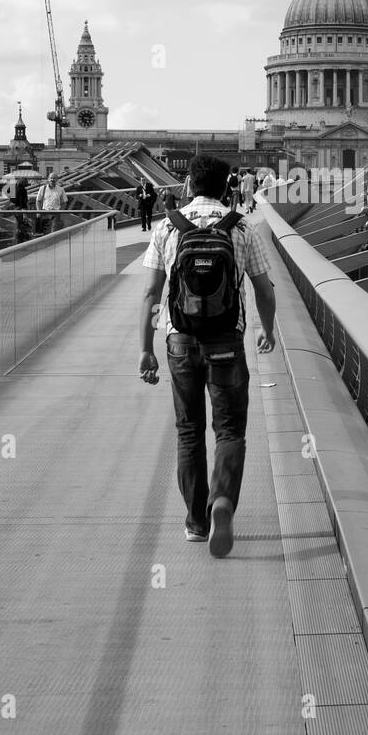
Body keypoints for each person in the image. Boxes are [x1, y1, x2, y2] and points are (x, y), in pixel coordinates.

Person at [138, 154, 276, 557]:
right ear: (227, 187)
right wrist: (266, 331)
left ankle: (196, 522)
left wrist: (146, 349)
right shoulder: (243, 227)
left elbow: (150, 294)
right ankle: (223, 502)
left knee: (189, 431)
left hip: (180, 342)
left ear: (188, 187)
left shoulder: (167, 226)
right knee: (230, 430)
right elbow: (266, 290)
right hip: (227, 343)